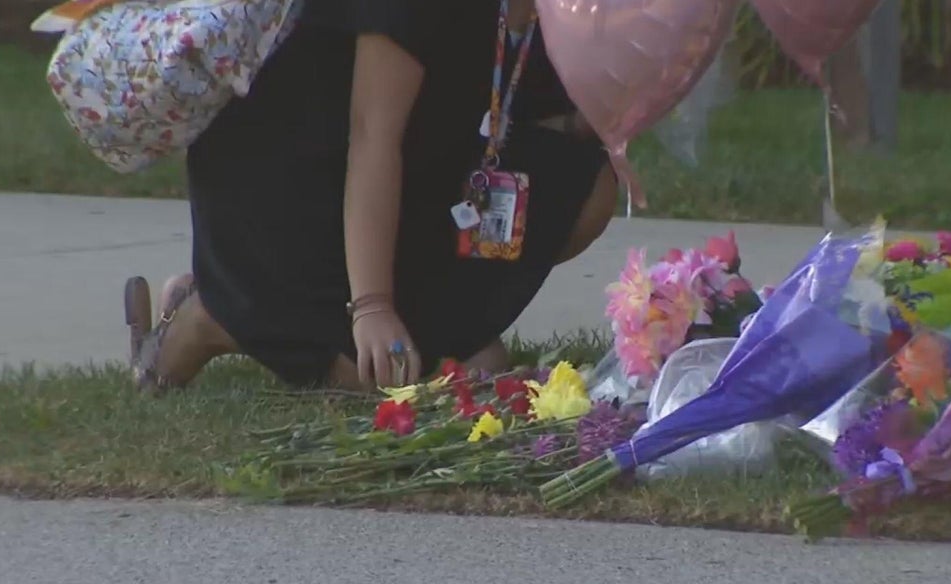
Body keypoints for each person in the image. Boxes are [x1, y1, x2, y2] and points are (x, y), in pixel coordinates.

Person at [123, 0, 617, 393]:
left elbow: (519, 104)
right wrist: (373, 307)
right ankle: (213, 315)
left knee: (587, 187)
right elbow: (372, 133)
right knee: (419, 381)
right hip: (288, 181)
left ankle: (414, 314)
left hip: (414, 165)